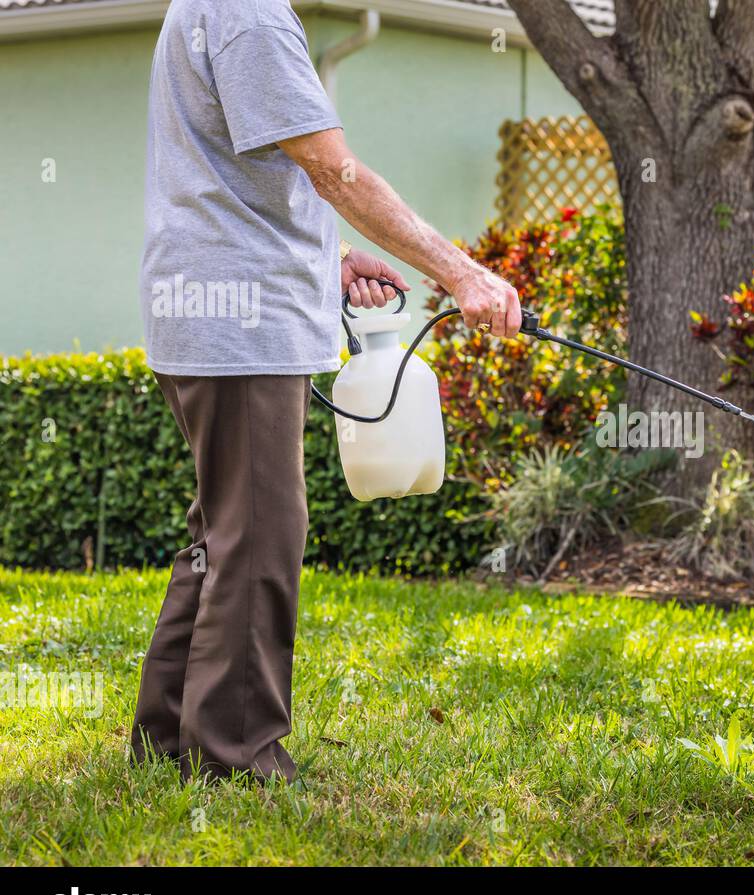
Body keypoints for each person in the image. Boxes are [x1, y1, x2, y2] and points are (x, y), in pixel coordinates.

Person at [131, 0, 519, 783]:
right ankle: (236, 753)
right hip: (241, 323)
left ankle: (167, 734)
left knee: (224, 532)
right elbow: (335, 169)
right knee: (261, 534)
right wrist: (461, 270)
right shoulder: (253, 16)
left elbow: (245, 169)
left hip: (203, 310)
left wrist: (330, 258)